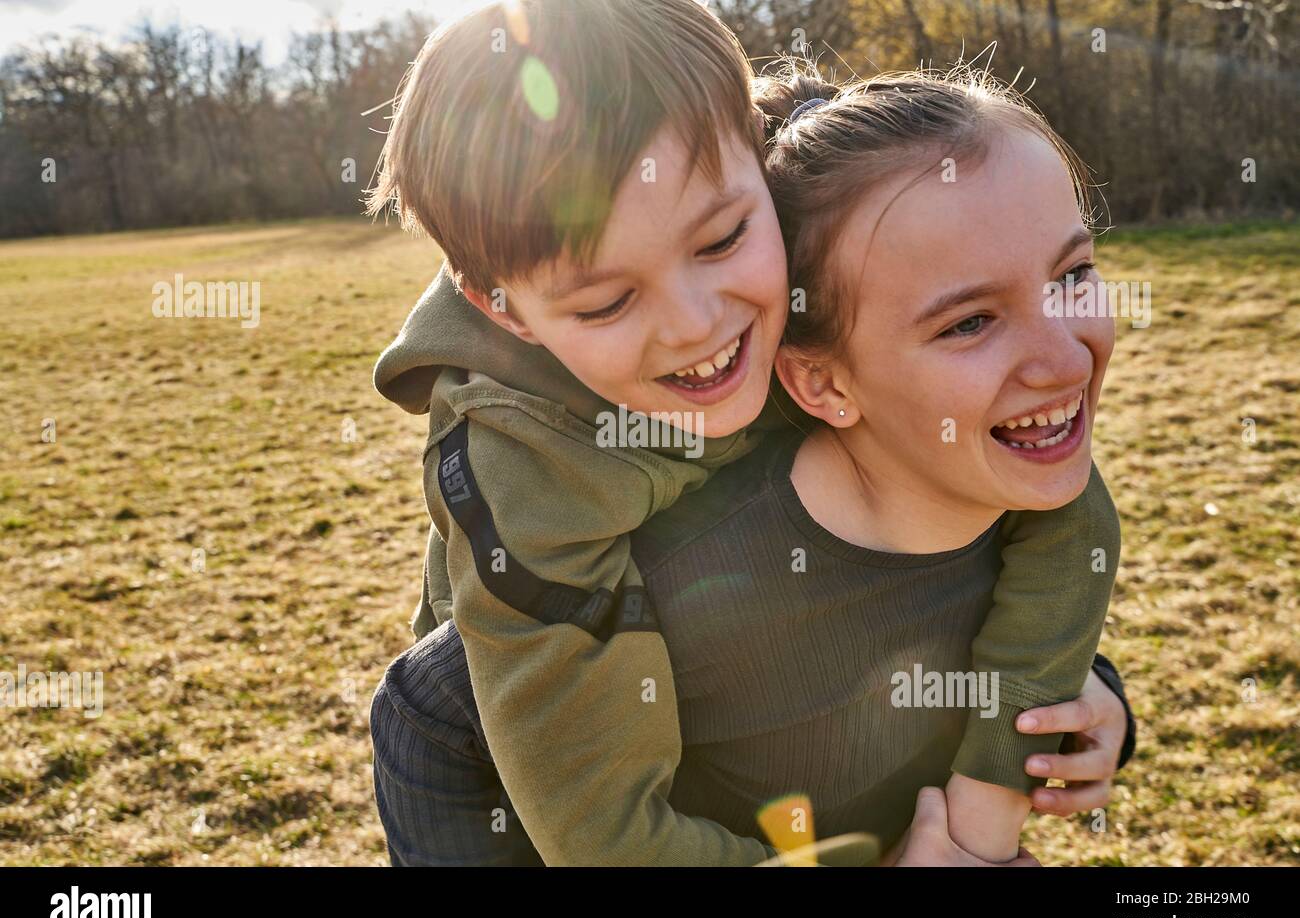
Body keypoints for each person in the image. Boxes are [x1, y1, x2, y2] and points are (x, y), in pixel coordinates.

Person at [367, 0, 1125, 865]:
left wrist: (1054, 701)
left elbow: (1038, 470)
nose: (698, 325)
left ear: (757, 159)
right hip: (484, 759)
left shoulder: (813, 237)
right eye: (609, 301)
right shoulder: (526, 469)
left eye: (724, 237)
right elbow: (605, 836)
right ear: (504, 309)